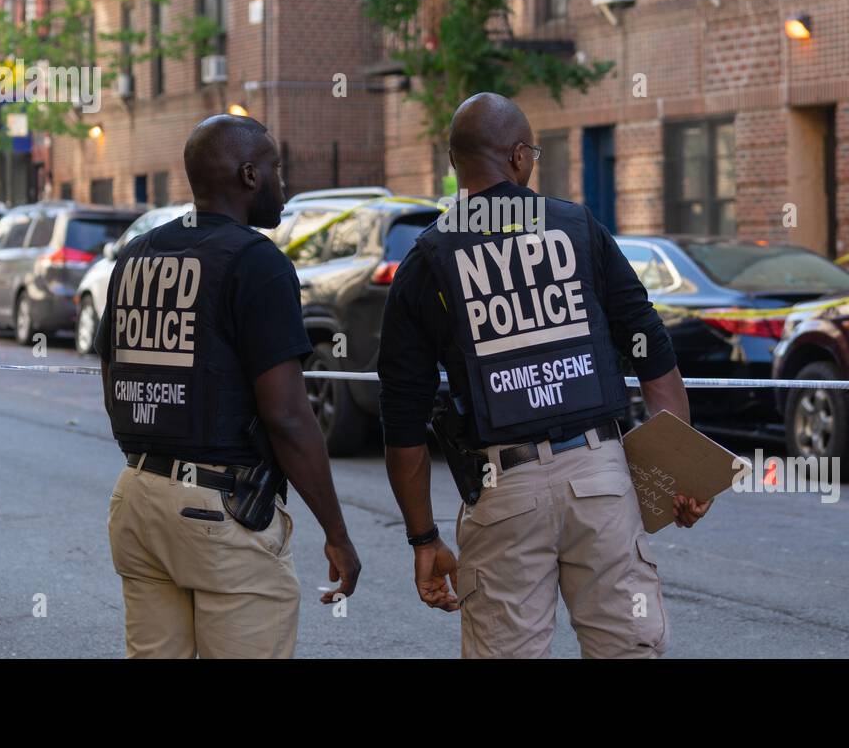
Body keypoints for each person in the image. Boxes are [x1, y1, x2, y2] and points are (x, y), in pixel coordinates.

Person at [378, 92, 709, 659]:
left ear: (454, 162)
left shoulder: (428, 257)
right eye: (531, 151)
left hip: (504, 489)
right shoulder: (577, 227)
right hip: (601, 478)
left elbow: (403, 420)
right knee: (630, 648)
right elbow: (651, 351)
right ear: (517, 157)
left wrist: (423, 537)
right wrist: (678, 472)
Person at [97, 114, 360, 658]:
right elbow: (287, 417)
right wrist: (336, 532)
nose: (282, 184)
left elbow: (112, 367)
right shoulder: (257, 263)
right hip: (219, 512)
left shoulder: (137, 255)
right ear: (248, 176)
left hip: (138, 499)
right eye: (276, 169)